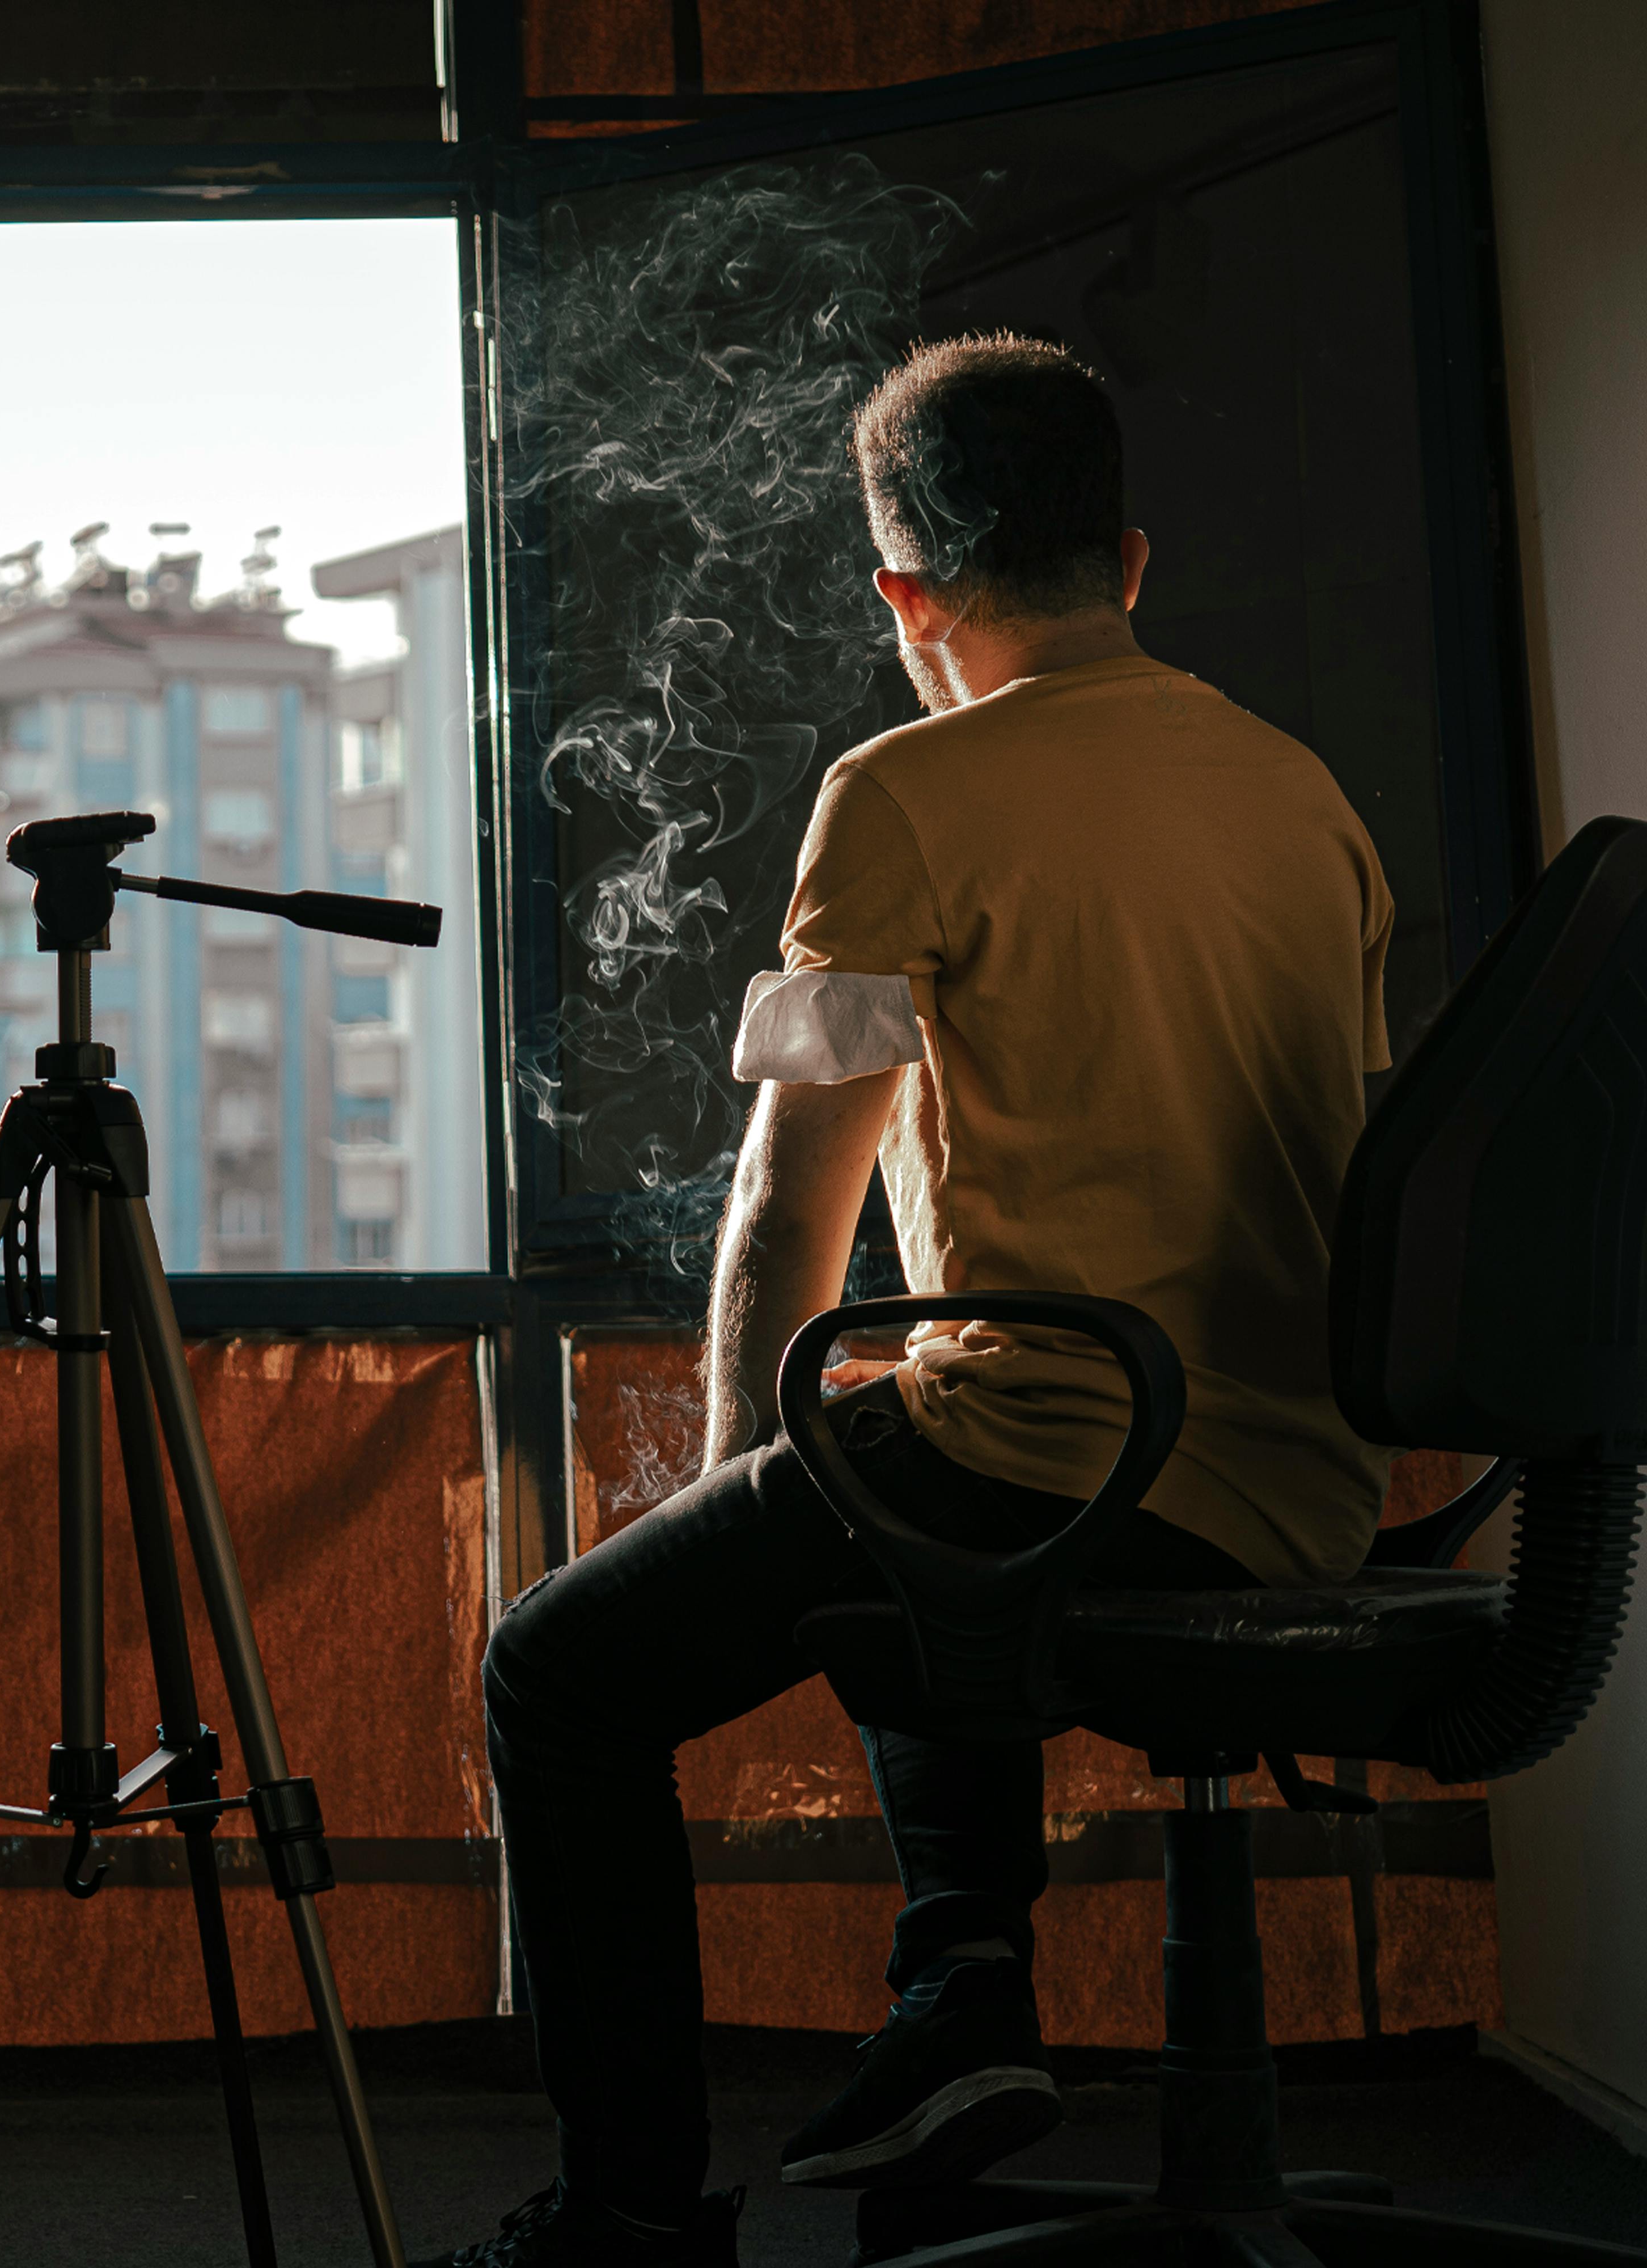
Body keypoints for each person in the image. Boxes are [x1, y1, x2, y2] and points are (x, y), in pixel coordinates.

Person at [433, 334, 1394, 2268]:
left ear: (903, 594)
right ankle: (962, 1982)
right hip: (1303, 1493)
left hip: (1060, 1462)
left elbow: (802, 1194)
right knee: (896, 1449)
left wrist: (718, 1493)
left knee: (564, 1662)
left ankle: (628, 2218)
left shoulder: (905, 790)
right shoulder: (1307, 799)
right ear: (1128, 560)